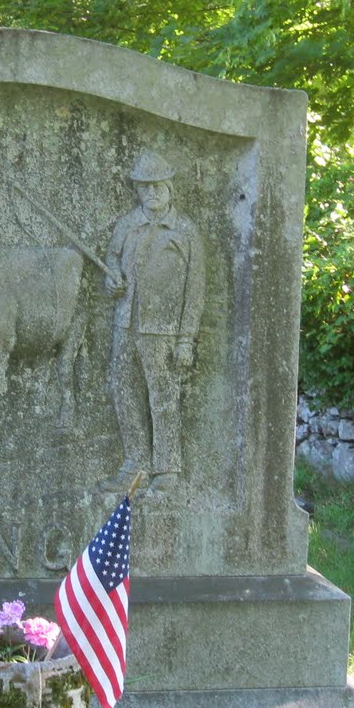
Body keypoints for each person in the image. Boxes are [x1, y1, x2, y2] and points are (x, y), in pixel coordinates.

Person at [103, 150, 204, 495]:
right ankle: (136, 466)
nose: (152, 192)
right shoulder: (126, 225)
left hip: (162, 330)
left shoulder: (185, 231)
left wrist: (185, 340)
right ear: (138, 191)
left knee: (161, 397)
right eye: (145, 187)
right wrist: (112, 277)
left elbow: (195, 290)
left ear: (170, 187)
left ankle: (168, 470)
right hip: (125, 324)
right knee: (124, 392)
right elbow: (112, 260)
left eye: (158, 185)